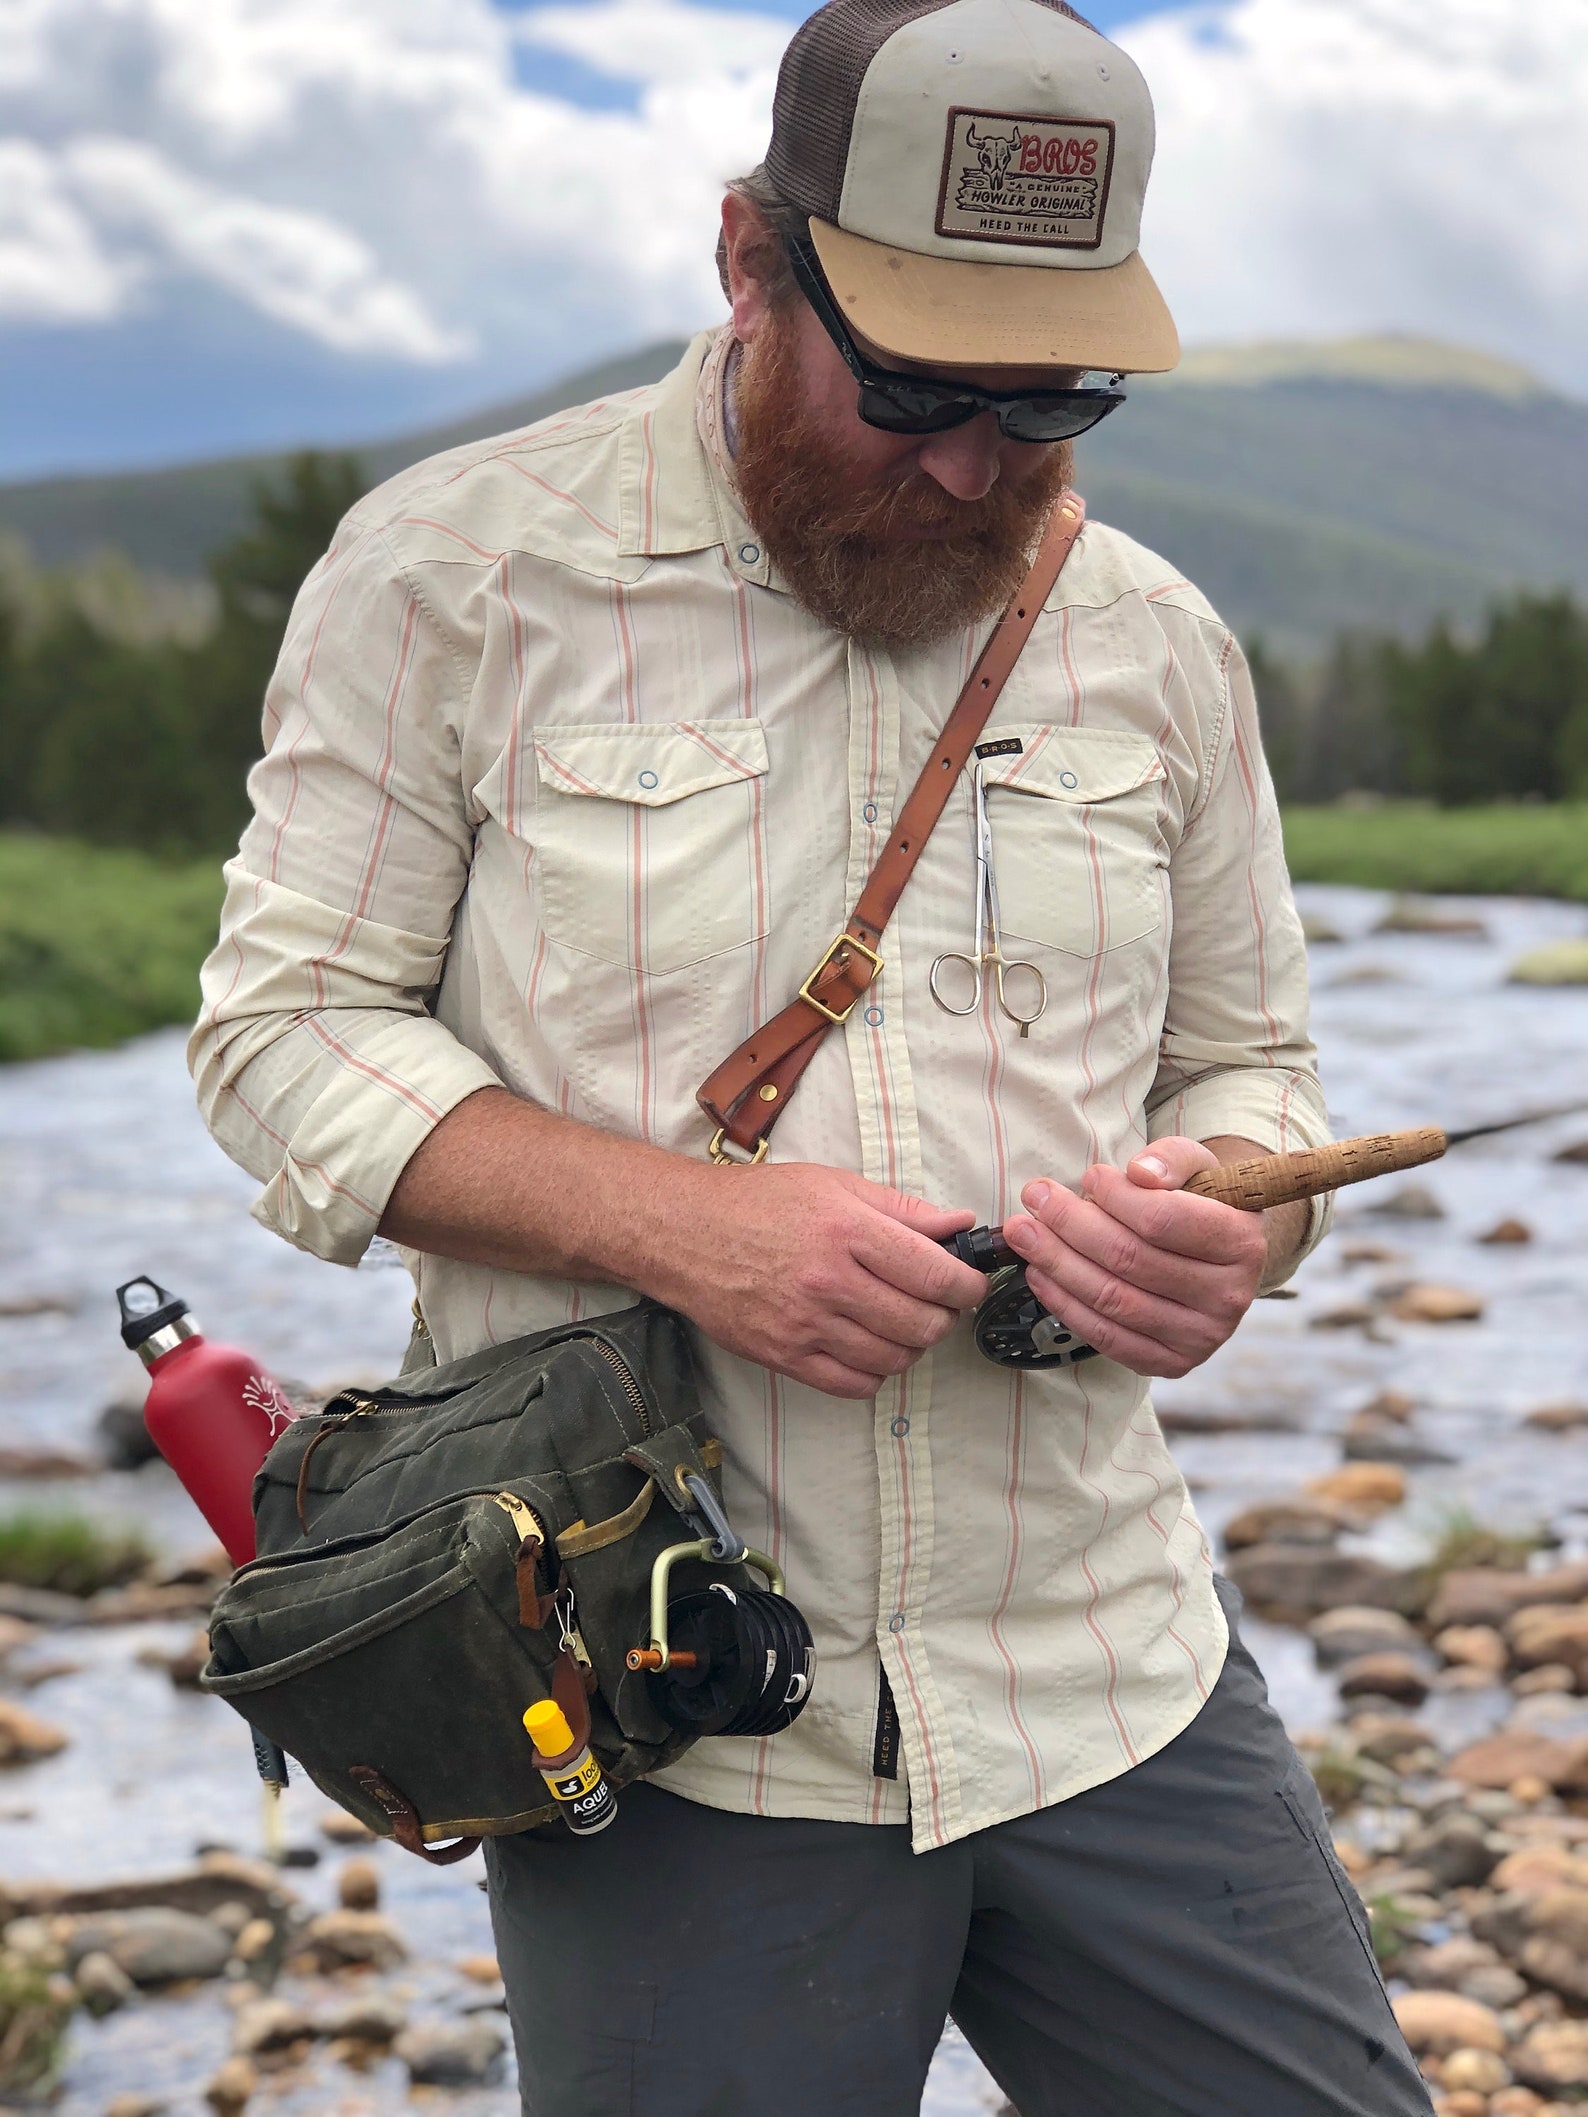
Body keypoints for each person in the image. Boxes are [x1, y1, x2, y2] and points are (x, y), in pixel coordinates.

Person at [191, 1, 1433, 2111]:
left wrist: (1230, 1236)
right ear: (751, 265)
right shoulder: (451, 574)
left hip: (1113, 1677)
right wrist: (692, 1232)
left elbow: (1250, 1072)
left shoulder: (1155, 642)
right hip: (667, 1725)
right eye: (917, 387)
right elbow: (278, 1045)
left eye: (1049, 399)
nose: (971, 460)